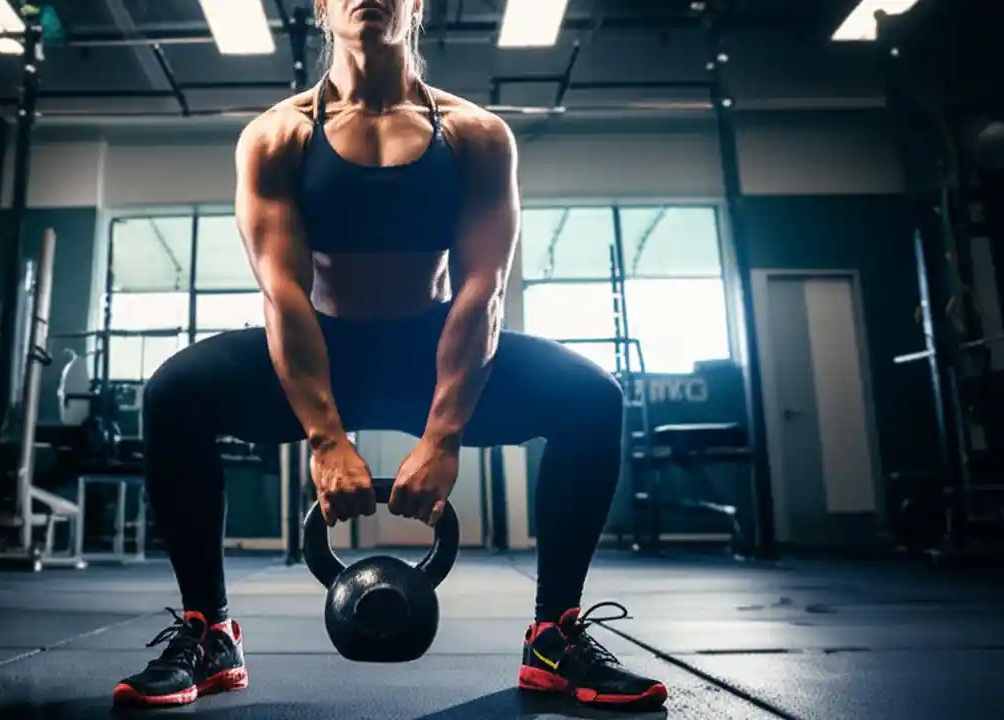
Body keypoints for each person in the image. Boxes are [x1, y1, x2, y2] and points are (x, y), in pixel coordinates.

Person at [112, 0, 667, 711]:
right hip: (321, 350)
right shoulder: (276, 136)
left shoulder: (477, 135)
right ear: (320, 6)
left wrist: (443, 436)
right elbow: (282, 294)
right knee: (174, 394)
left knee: (592, 398)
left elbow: (483, 291)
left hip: (431, 349)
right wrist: (323, 437)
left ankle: (554, 638)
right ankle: (209, 631)